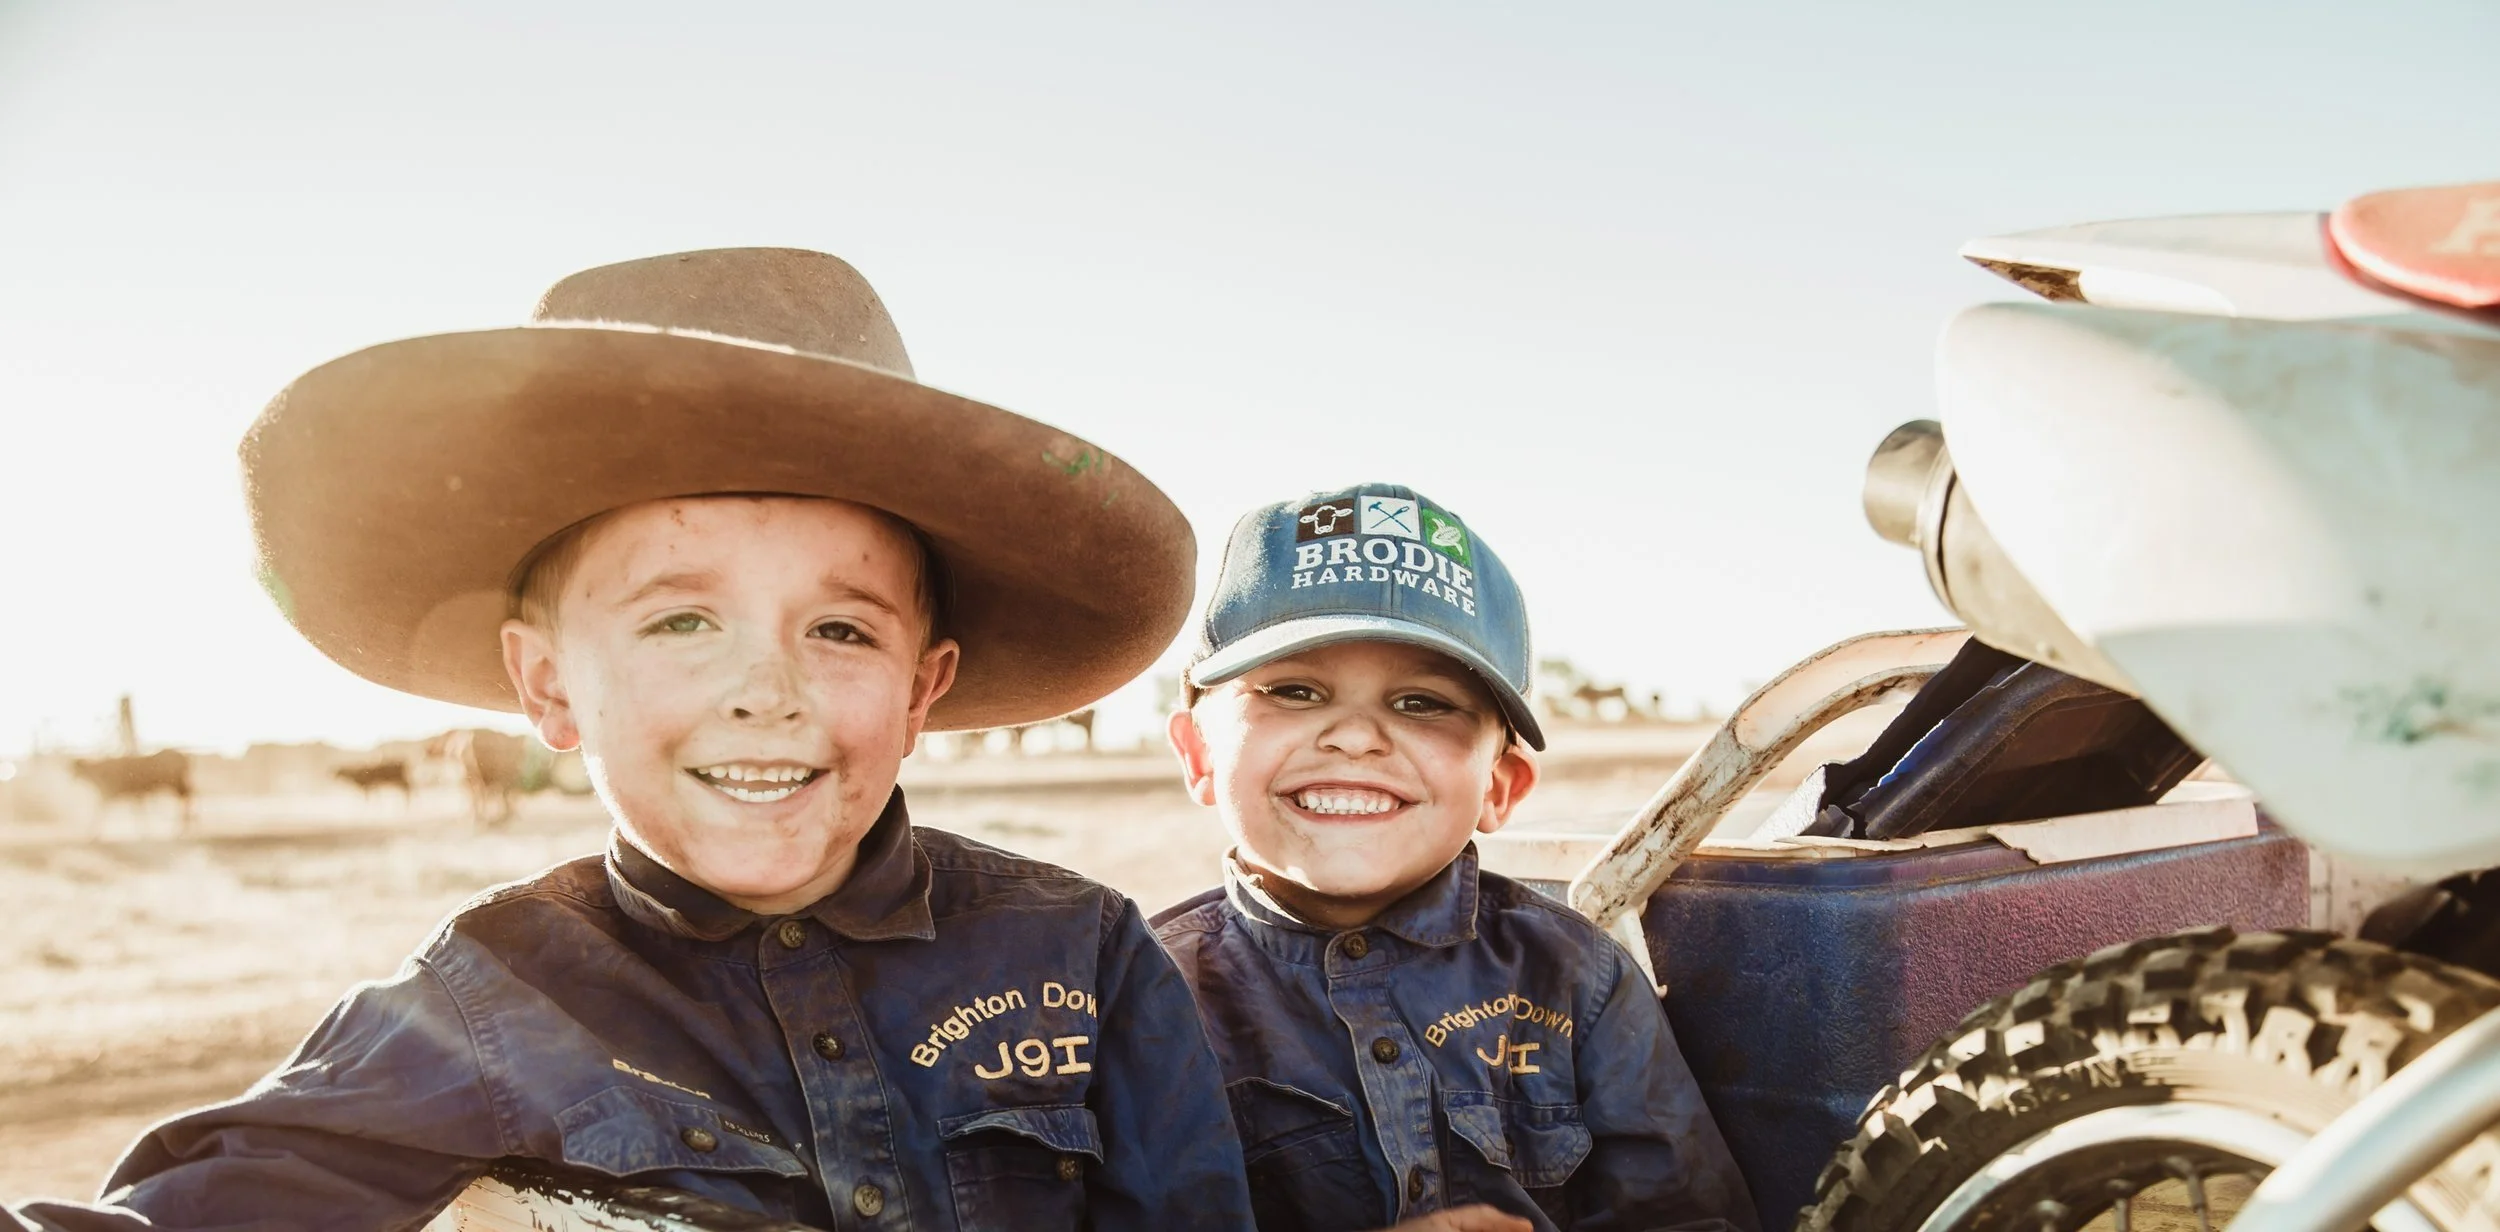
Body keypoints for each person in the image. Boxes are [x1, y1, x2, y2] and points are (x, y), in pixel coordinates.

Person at [6, 249, 1253, 1231]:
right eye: (682, 620)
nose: (767, 690)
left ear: (922, 688)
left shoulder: (1087, 954)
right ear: (549, 687)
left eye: (838, 628)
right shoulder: (486, 1001)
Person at [1154, 485, 1756, 1232]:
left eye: (1422, 703)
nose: (1355, 736)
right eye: (1296, 690)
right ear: (1198, 754)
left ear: (1500, 787)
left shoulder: (1577, 980)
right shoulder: (1144, 999)